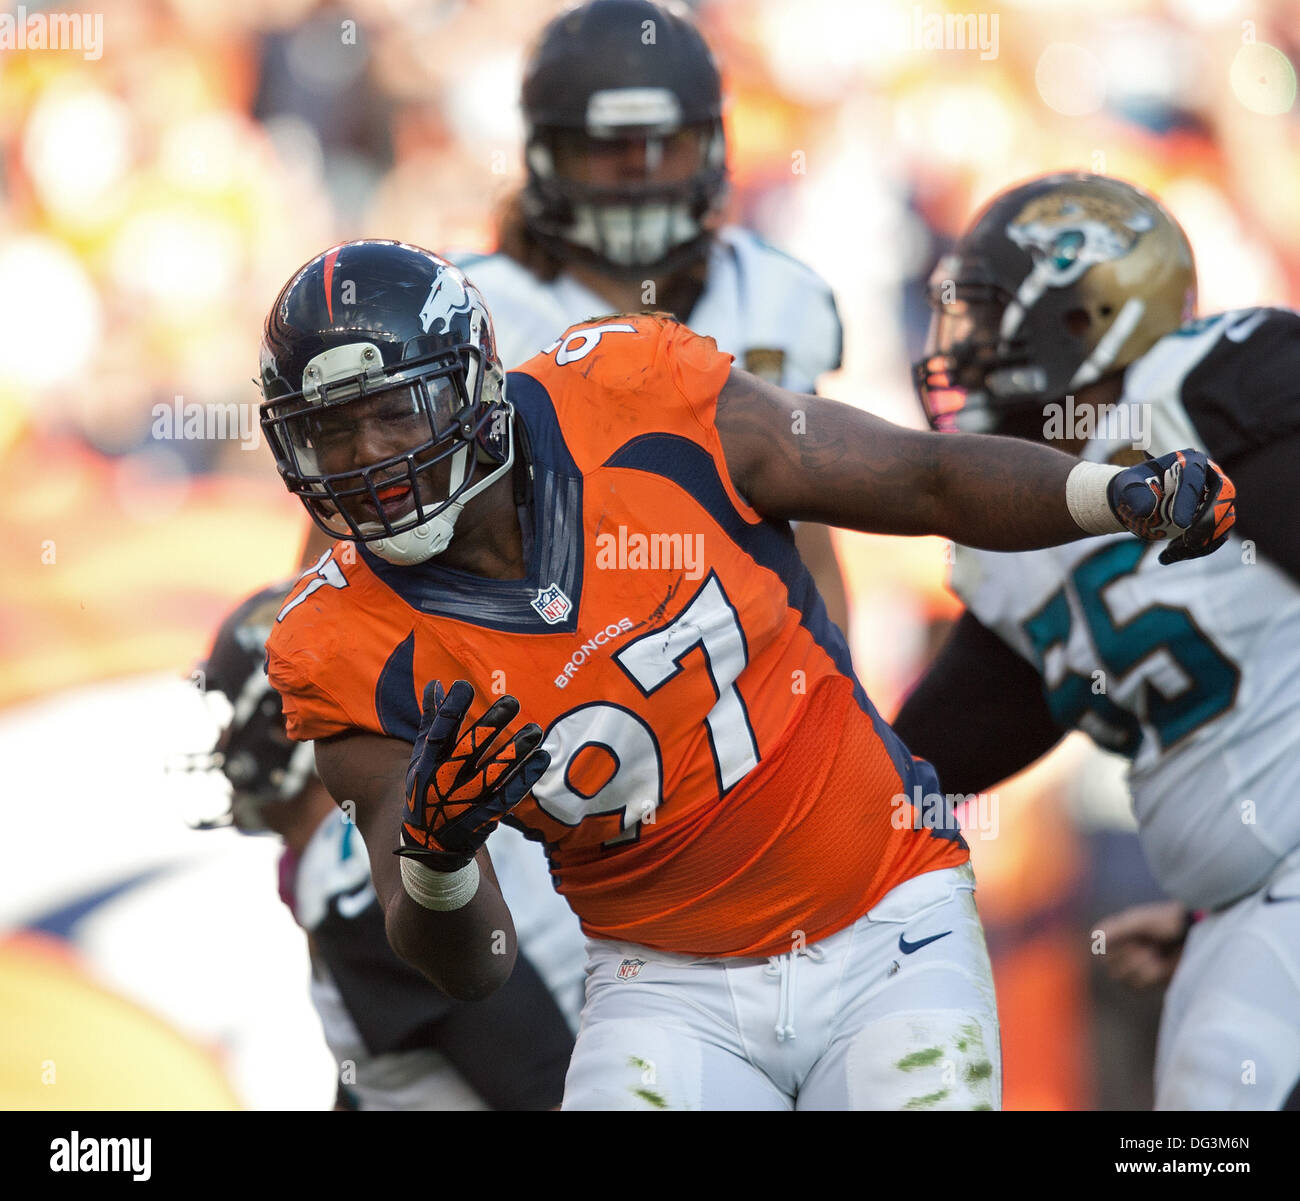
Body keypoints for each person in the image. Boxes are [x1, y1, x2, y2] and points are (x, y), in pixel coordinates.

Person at [258, 237, 1232, 1110]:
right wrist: (437, 863)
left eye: (393, 411)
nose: (369, 457)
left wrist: (1110, 493)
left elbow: (917, 473)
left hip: (885, 921)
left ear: (472, 383)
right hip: (663, 988)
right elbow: (471, 967)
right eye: (330, 432)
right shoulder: (334, 643)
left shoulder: (632, 389)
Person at [892, 171, 1299, 1110]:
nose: (968, 347)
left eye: (992, 319)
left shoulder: (1224, 388)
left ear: (1083, 321)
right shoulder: (1013, 528)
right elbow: (916, 761)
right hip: (1240, 907)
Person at [299, 0, 849, 633]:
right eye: (603, 145)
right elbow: (342, 557)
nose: (636, 168)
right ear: (544, 152)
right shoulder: (465, 309)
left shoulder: (777, 294)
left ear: (711, 143)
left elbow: (812, 553)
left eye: (662, 144)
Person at [187, 583, 580, 1109]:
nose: (219, 745)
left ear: (280, 727)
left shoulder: (349, 879)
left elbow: (543, 1088)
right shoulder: (379, 835)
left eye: (227, 715)